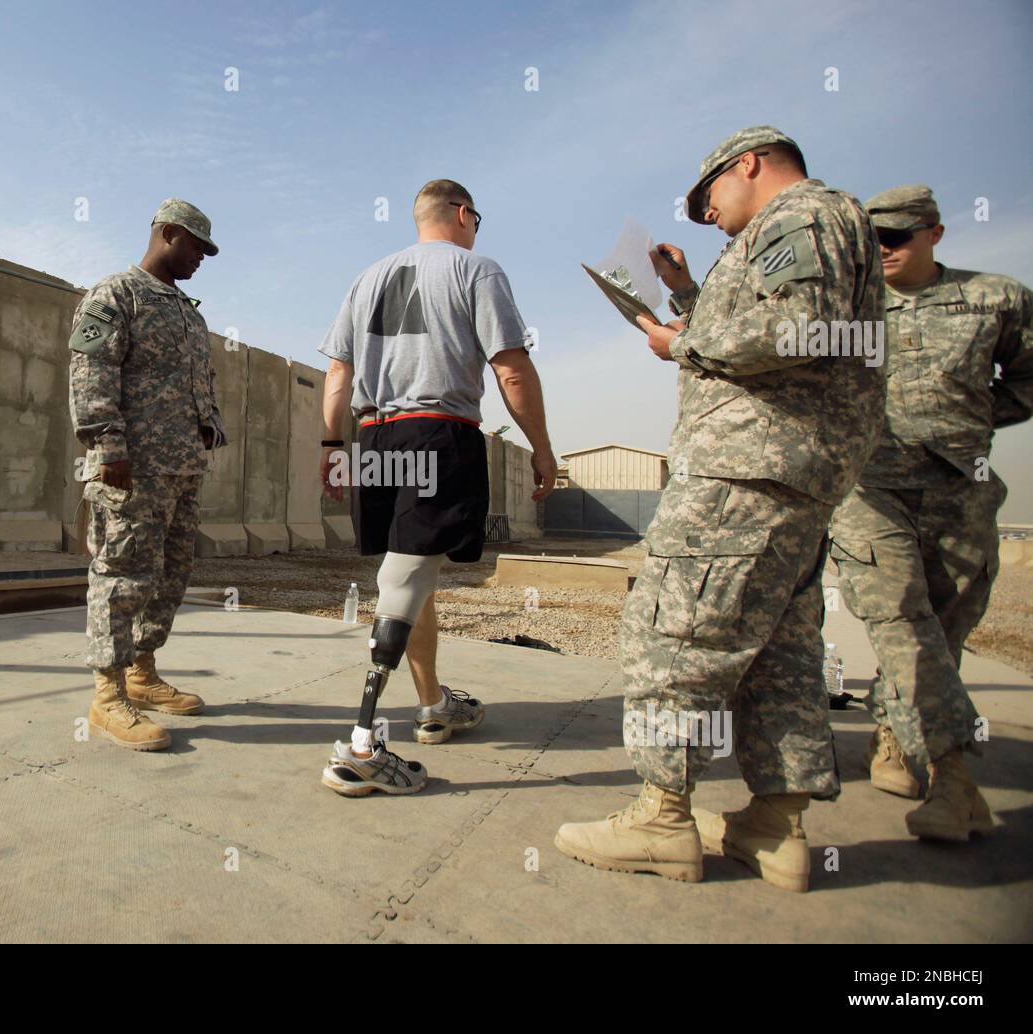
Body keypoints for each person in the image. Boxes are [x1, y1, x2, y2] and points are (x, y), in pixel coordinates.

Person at [555, 127, 885, 891]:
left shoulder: (799, 217)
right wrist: (681, 292)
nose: (709, 220)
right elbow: (788, 326)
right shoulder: (822, 224)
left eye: (709, 202)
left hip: (746, 468)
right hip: (791, 471)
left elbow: (793, 329)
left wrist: (679, 343)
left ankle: (662, 817)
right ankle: (776, 825)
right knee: (777, 650)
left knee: (676, 629)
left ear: (749, 165)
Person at [316, 178, 556, 796]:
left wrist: (330, 445)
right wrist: (543, 448)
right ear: (462, 213)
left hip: (374, 436)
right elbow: (510, 366)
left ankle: (431, 704)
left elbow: (337, 371)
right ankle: (363, 746)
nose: (478, 228)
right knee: (404, 577)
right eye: (478, 217)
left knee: (412, 571)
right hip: (437, 429)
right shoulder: (476, 269)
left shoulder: (365, 278)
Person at [829, 184, 1033, 841]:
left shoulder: (994, 299)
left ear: (934, 234)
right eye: (873, 240)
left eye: (897, 238)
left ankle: (892, 737)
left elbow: (1027, 379)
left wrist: (969, 418)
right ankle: (955, 781)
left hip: (961, 492)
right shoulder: (845, 310)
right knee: (898, 620)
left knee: (940, 634)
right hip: (869, 489)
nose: (882, 251)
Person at [68, 198, 227, 751]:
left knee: (170, 572)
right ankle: (107, 697)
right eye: (196, 248)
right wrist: (107, 442)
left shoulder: (188, 311)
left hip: (179, 467)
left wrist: (210, 426)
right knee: (121, 573)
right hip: (130, 467)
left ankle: (142, 672)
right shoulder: (117, 295)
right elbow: (92, 370)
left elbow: (196, 380)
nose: (201, 259)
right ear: (167, 234)